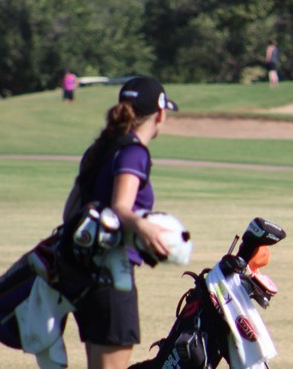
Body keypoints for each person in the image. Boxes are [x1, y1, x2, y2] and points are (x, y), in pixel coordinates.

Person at [62, 76, 178, 368]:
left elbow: (70, 211)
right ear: (160, 114)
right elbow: (120, 208)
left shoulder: (101, 148)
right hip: (112, 274)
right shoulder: (134, 152)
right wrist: (143, 227)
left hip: (85, 274)